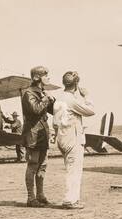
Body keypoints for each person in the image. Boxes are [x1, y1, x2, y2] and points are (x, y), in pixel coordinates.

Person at [49, 71, 95, 209]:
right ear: (76, 84)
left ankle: (72, 199)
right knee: (74, 170)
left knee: (70, 168)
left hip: (62, 137)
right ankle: (70, 200)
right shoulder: (70, 100)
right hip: (73, 138)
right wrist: (86, 96)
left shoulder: (59, 100)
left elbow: (55, 122)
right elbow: (90, 110)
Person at [20, 65, 55, 206]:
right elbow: (35, 110)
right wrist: (47, 99)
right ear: (37, 77)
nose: (48, 77)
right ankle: (31, 198)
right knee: (33, 164)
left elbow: (51, 110)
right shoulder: (29, 93)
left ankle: (40, 195)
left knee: (43, 165)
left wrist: (53, 101)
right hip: (33, 134)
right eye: (46, 75)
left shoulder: (41, 93)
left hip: (42, 133)